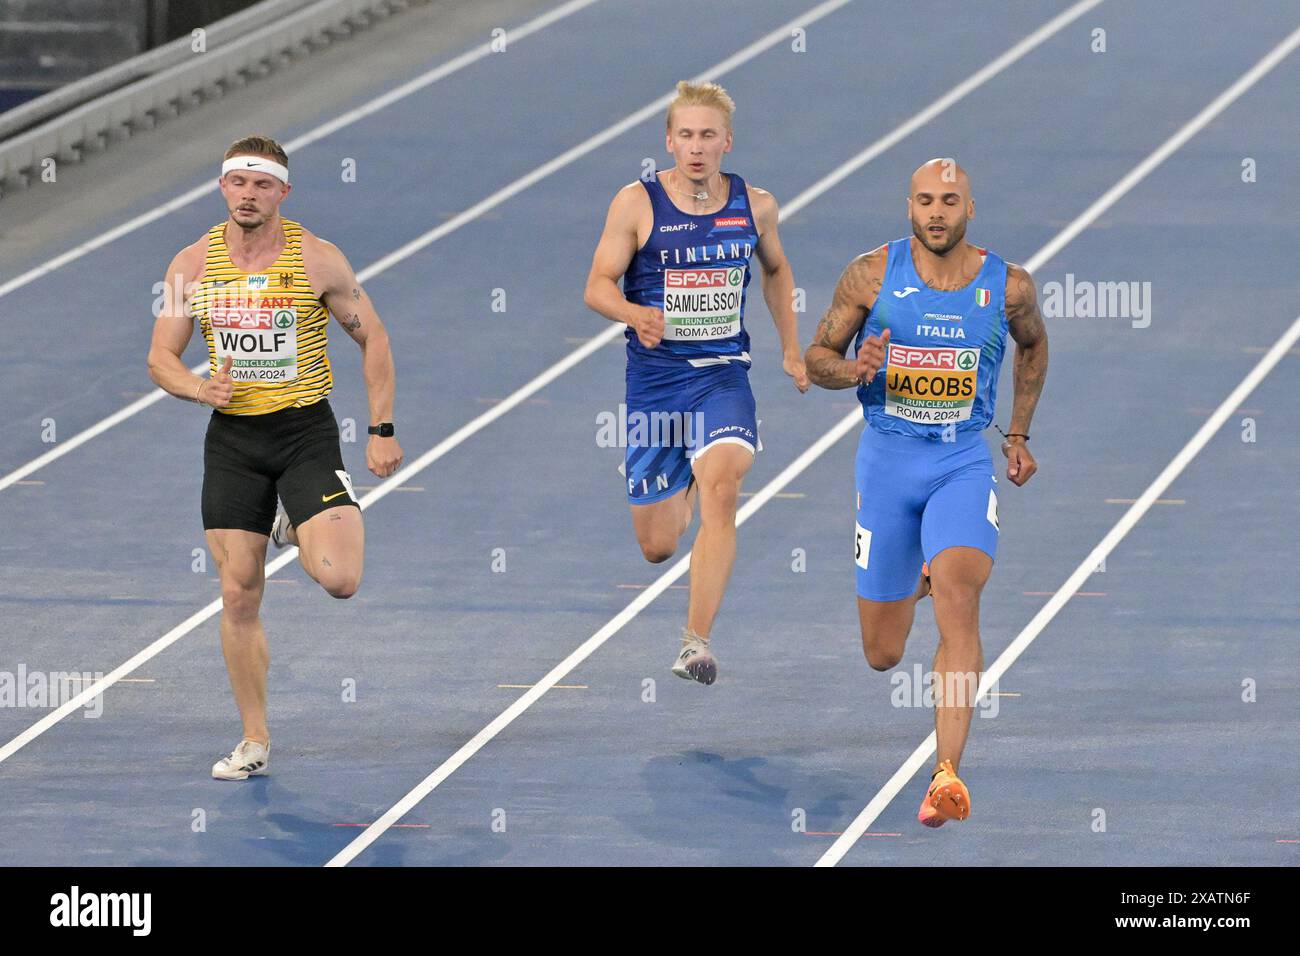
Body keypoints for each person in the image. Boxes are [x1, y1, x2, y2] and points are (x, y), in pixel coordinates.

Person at [146, 135, 403, 780]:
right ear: (222, 188)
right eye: (238, 183)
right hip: (233, 442)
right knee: (238, 595)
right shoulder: (191, 266)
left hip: (303, 434)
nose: (248, 195)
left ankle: (297, 517)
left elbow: (373, 339)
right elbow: (160, 359)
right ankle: (254, 740)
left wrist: (381, 428)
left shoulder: (318, 261)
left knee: (341, 579)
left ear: (283, 192)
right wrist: (201, 387)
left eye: (262, 185)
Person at [804, 158, 1047, 825]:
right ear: (908, 207)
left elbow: (1033, 346)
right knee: (883, 653)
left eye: (948, 201)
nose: (936, 213)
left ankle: (946, 774)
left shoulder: (1009, 286)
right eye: (924, 201)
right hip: (887, 465)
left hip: (961, 464)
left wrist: (1018, 435)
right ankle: (911, 575)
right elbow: (815, 358)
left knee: (960, 598)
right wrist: (853, 368)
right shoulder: (872, 275)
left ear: (971, 207)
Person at [584, 81, 808, 685]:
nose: (697, 147)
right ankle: (677, 471)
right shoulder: (636, 203)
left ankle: (695, 643)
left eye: (708, 135)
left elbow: (777, 267)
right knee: (657, 545)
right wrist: (634, 314)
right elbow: (597, 285)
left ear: (727, 142)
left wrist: (790, 345)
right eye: (686, 135)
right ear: (668, 141)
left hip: (722, 377)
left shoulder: (755, 205)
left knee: (724, 486)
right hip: (656, 383)